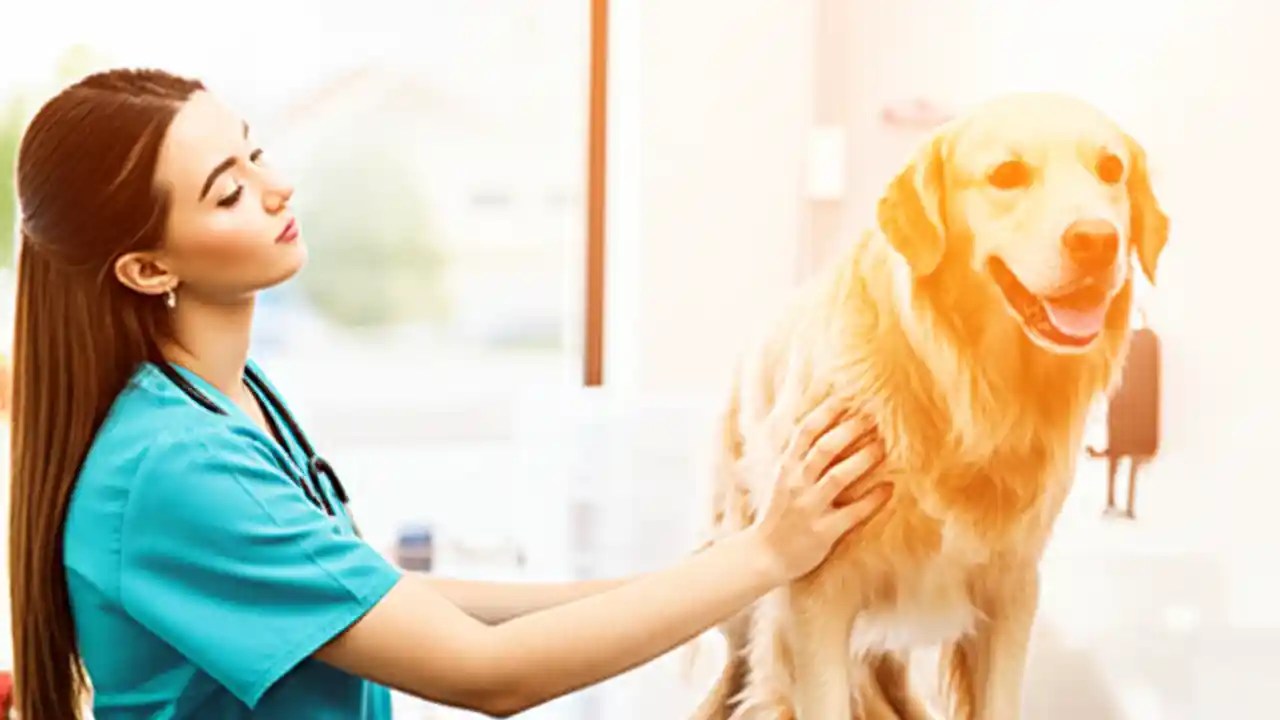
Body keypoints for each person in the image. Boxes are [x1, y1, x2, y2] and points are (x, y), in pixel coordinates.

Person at [7, 68, 895, 720]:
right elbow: (488, 674)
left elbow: (387, 599)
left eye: (255, 149)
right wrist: (762, 559)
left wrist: (714, 578)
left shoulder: (228, 399)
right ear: (147, 265)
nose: (279, 187)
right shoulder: (173, 466)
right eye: (230, 191)